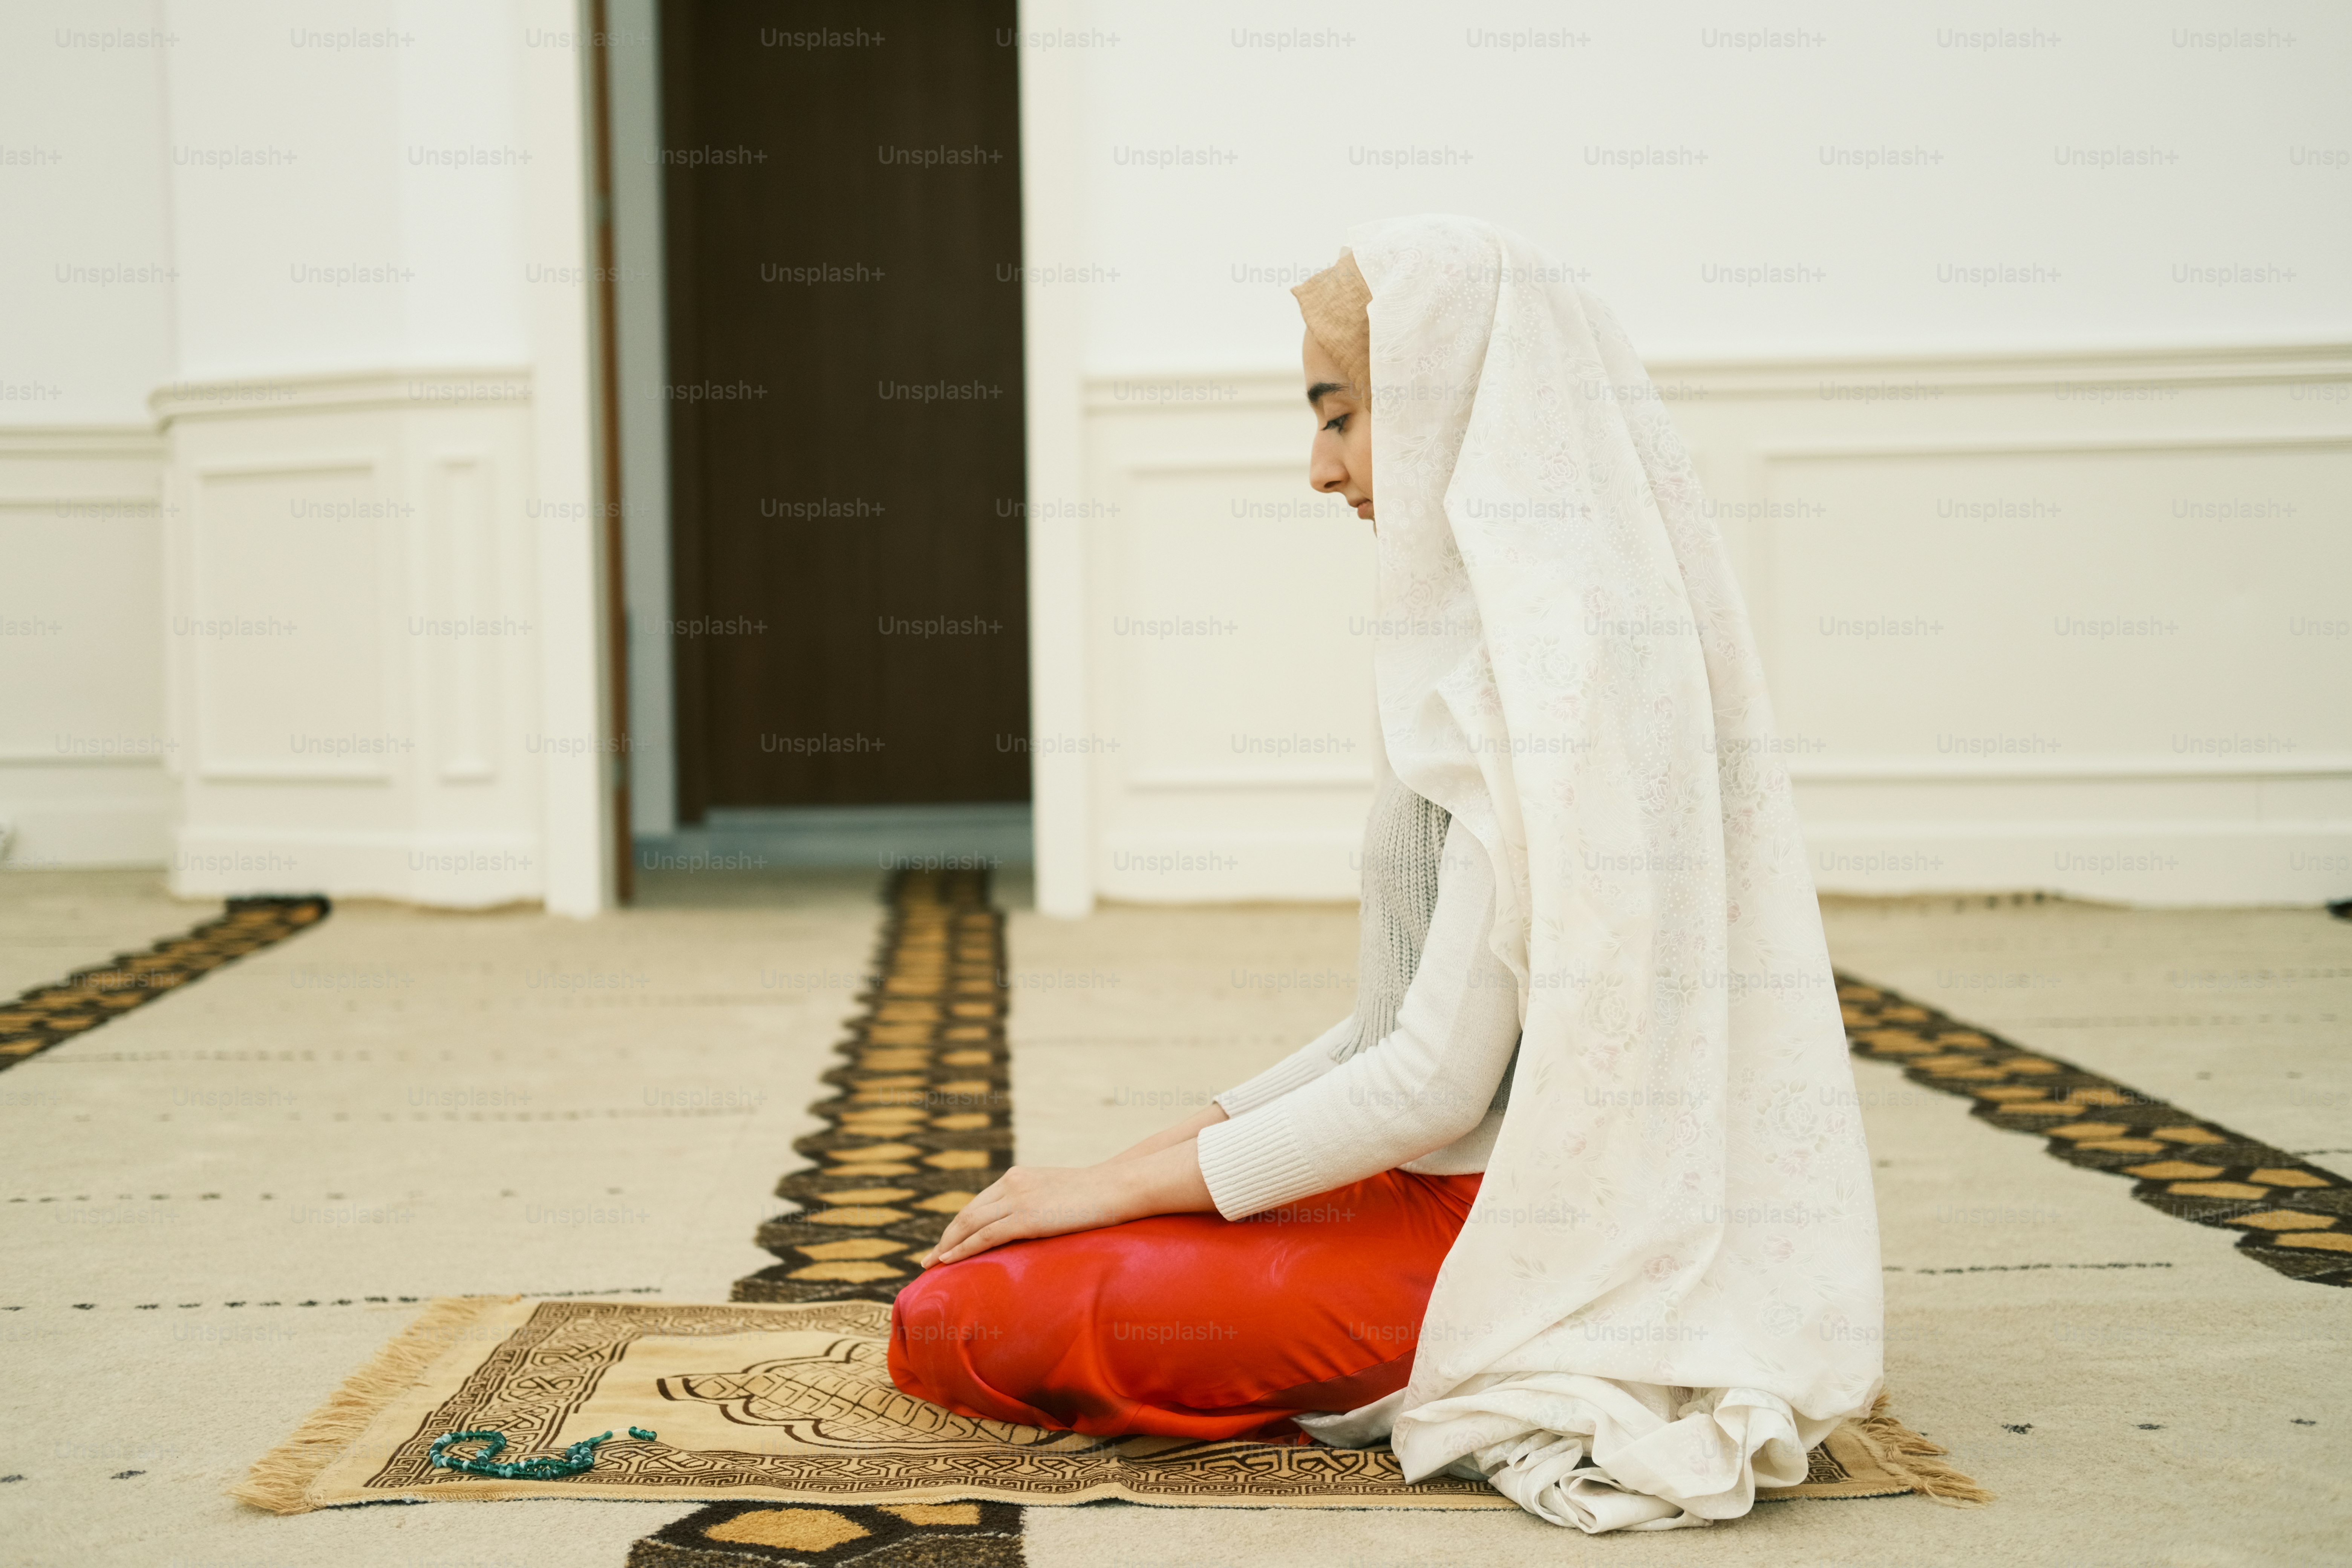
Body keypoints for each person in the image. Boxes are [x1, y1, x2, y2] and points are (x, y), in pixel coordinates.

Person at [890, 214, 1884, 1532]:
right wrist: (1165, 1146)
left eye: (1343, 415)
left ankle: (1431, 1346)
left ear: (1458, 411)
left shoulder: (1548, 683)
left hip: (1498, 1236)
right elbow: (1399, 1025)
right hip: (1435, 1187)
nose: (1320, 467)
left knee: (959, 1322)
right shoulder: (1495, 641)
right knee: (1047, 1247)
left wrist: (1111, 1187)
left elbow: (1433, 1083)